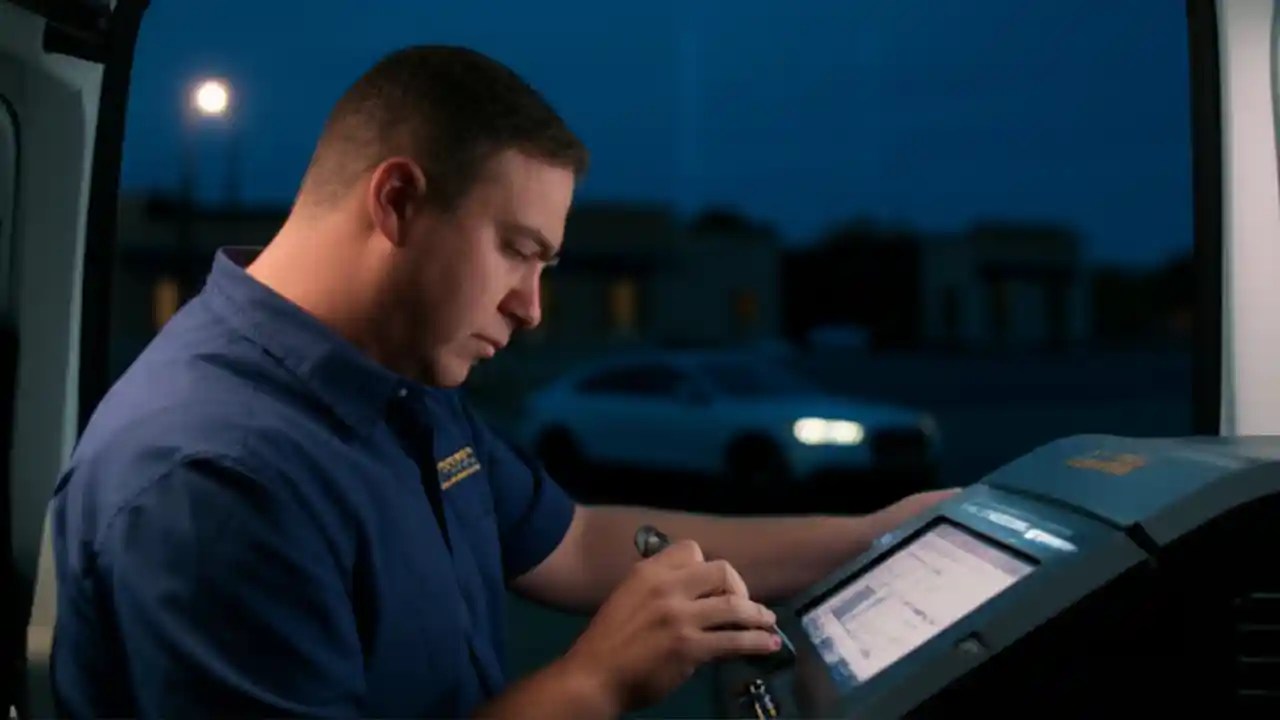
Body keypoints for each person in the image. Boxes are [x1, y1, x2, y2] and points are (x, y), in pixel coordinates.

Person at [49, 45, 955, 719]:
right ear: (397, 202)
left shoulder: (399, 375)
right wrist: (592, 683)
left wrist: (873, 535)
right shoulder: (214, 478)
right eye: (519, 252)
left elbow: (583, 544)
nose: (530, 308)